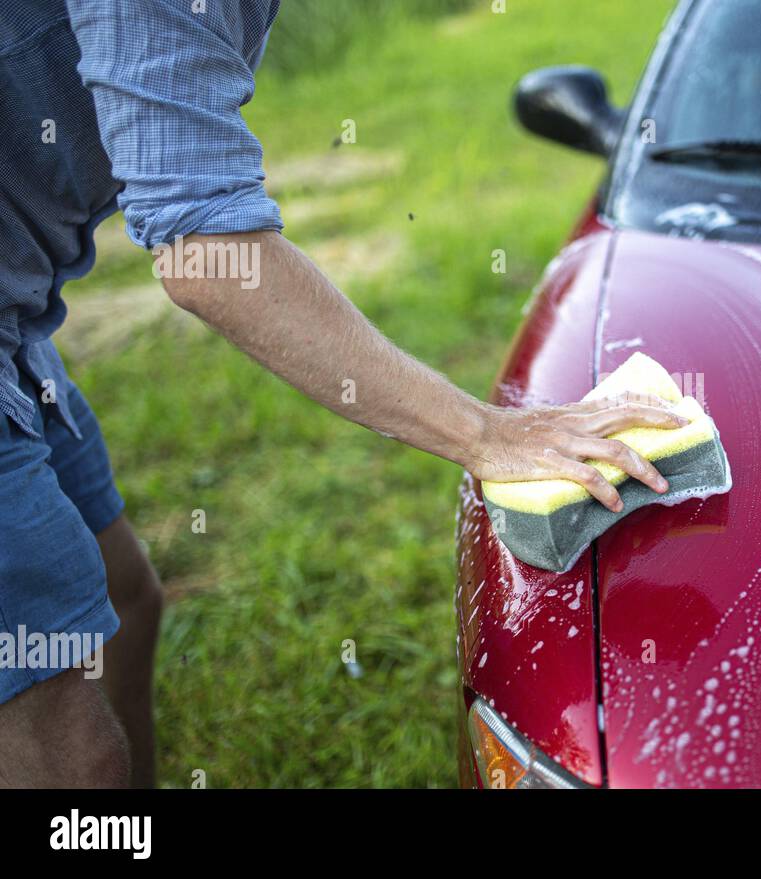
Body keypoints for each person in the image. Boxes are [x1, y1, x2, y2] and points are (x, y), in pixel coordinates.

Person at [0, 0, 683, 788]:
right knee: (72, 757)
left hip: (20, 321)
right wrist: (485, 434)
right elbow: (206, 253)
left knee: (126, 601)